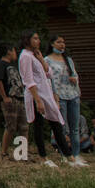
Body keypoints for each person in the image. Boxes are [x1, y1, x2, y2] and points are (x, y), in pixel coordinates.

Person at [18, 31, 83, 167]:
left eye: (38, 38)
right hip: (36, 95)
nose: (38, 41)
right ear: (27, 40)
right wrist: (38, 100)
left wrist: (41, 60)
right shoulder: (25, 56)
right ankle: (43, 157)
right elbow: (28, 81)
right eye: (35, 38)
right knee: (39, 125)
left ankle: (69, 156)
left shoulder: (34, 55)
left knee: (56, 124)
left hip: (46, 94)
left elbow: (48, 73)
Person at [44, 35, 82, 157]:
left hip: (73, 95)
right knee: (62, 128)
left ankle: (76, 155)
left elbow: (75, 75)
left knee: (74, 128)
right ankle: (65, 155)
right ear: (52, 44)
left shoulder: (68, 60)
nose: (62, 44)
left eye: (63, 42)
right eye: (58, 42)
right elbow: (47, 80)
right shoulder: (47, 60)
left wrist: (74, 79)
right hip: (59, 96)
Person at [0, 42, 27, 160]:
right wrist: (4, 97)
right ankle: (4, 152)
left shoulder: (13, 66)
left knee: (24, 126)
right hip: (10, 98)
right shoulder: (1, 65)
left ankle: (22, 153)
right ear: (8, 51)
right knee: (11, 126)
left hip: (20, 98)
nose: (15, 53)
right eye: (14, 50)